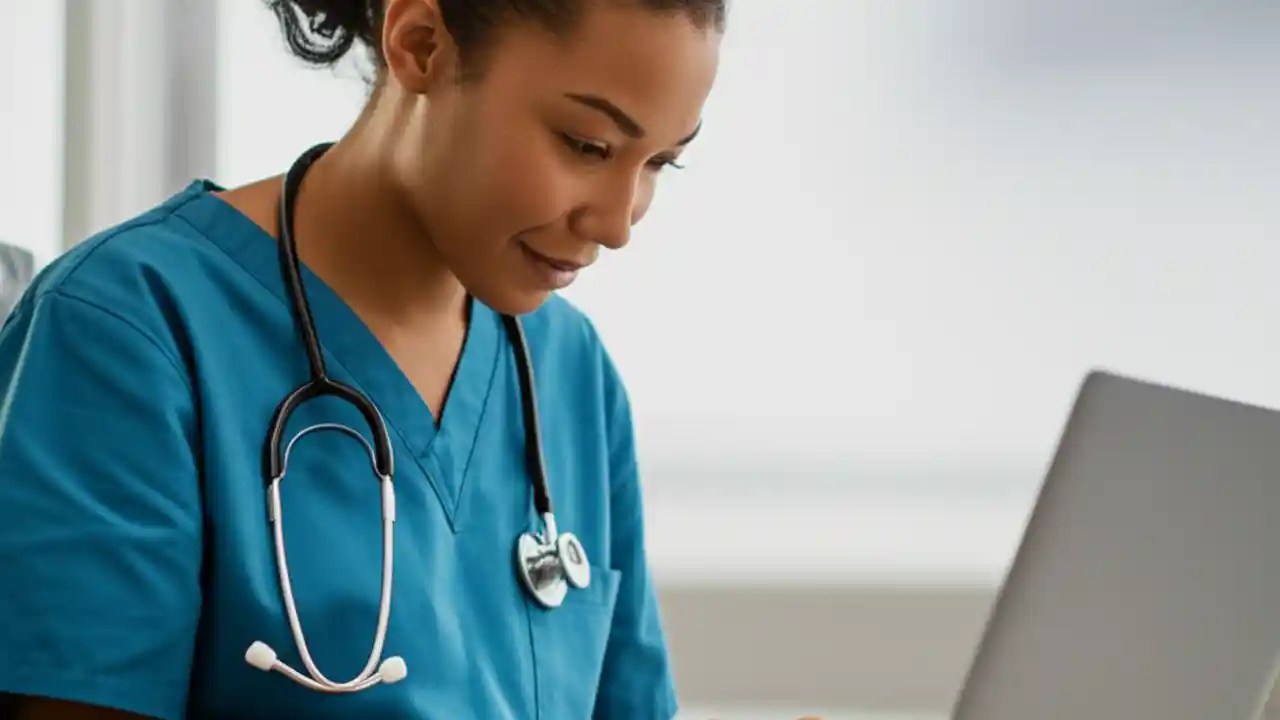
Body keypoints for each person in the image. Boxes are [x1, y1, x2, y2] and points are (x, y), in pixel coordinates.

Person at [0, 0, 724, 717]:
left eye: (661, 161)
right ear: (422, 44)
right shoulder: (129, 328)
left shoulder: (571, 373)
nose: (618, 220)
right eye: (587, 144)